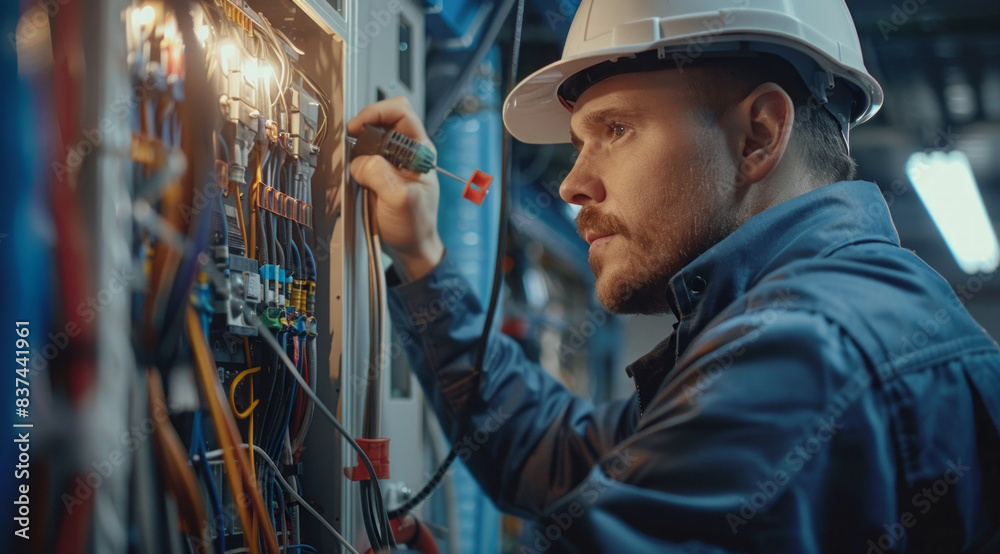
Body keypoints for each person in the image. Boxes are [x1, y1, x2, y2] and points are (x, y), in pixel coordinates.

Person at [348, 0, 1000, 551]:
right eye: (578, 143)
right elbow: (558, 456)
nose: (573, 184)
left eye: (617, 128)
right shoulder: (830, 315)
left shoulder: (801, 351)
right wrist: (424, 255)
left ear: (759, 134)